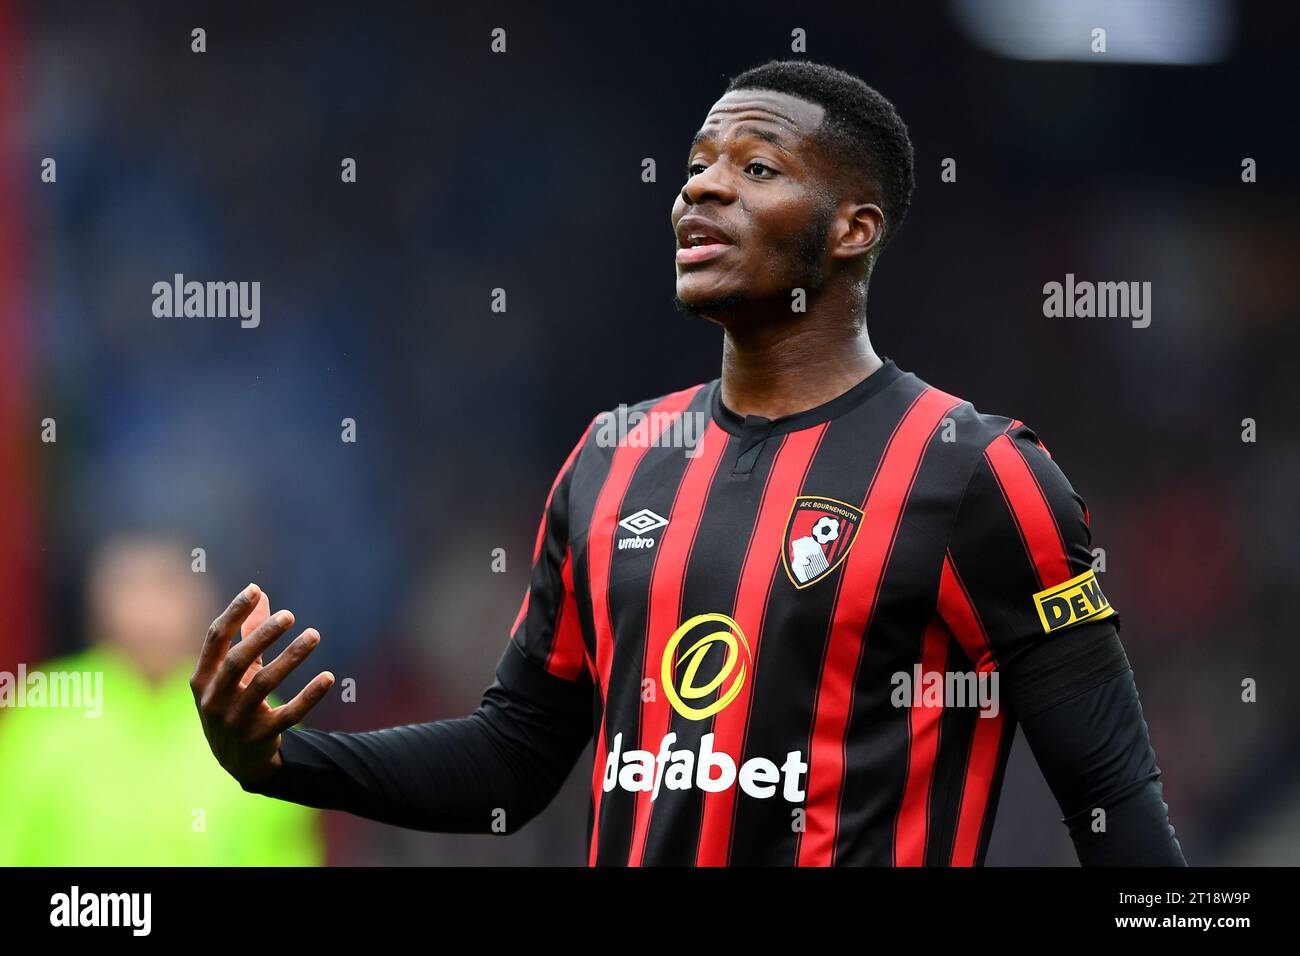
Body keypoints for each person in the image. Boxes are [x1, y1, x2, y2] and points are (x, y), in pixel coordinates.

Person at [193, 60, 1185, 866]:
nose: (703, 185)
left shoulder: (975, 472)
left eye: (756, 169)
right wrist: (283, 759)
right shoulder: (612, 456)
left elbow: (1112, 798)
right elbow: (513, 758)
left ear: (853, 228)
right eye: (697, 164)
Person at [0, 534, 323, 865]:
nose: (148, 615)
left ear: (205, 599)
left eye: (166, 589)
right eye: (129, 589)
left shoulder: (252, 708)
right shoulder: (47, 706)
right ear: (95, 603)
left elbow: (284, 848)